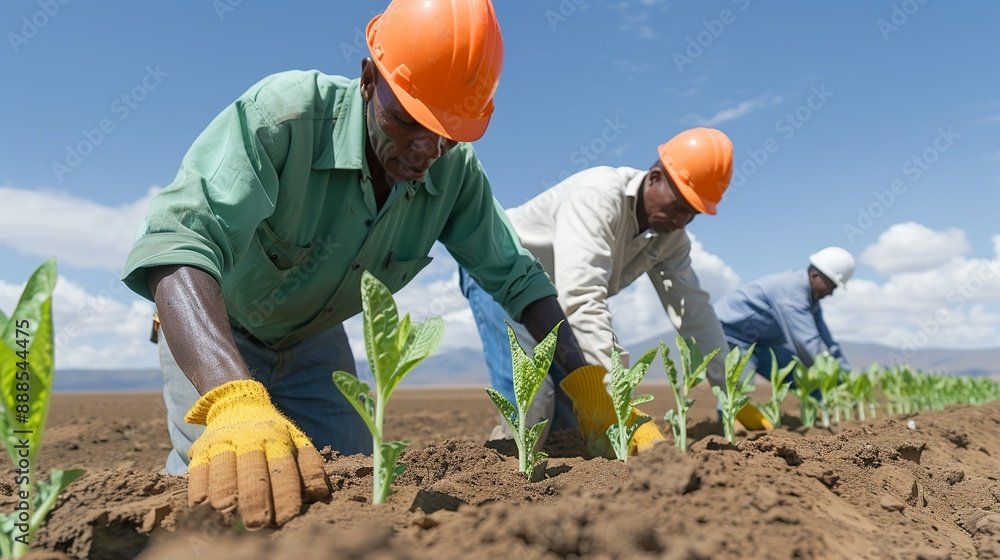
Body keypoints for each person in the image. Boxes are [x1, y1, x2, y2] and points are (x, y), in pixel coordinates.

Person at [120, 0, 594, 529]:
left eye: (448, 131)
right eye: (409, 121)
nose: (427, 149)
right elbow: (179, 241)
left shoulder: (454, 172)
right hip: (219, 328)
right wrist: (233, 397)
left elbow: (518, 277)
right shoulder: (285, 117)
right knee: (228, 484)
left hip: (313, 341)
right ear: (369, 78)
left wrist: (587, 382)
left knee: (347, 485)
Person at [461, 127, 737, 446]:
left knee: (576, 423)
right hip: (503, 274)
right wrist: (623, 403)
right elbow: (582, 297)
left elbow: (695, 313)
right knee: (534, 400)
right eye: (678, 206)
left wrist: (731, 395)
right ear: (656, 177)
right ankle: (500, 479)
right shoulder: (598, 195)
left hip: (556, 303)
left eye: (693, 213)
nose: (680, 221)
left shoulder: (671, 240)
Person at [713, 246, 855, 385]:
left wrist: (847, 374)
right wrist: (835, 376)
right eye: (831, 286)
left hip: (759, 342)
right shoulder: (792, 291)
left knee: (799, 374)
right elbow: (808, 343)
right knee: (739, 389)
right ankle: (731, 409)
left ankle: (826, 405)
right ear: (814, 276)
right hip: (729, 334)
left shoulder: (812, 300)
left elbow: (827, 341)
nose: (830, 293)